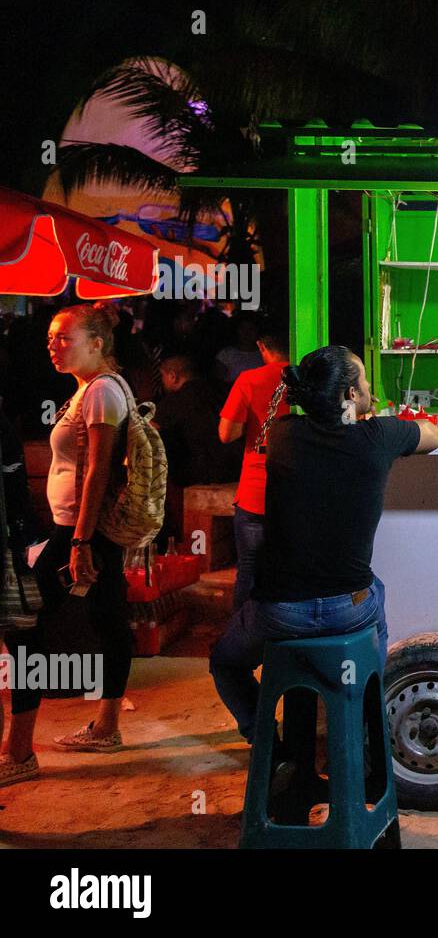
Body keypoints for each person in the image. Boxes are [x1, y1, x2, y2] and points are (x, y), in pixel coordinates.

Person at [209, 346, 438, 742]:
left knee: (225, 664)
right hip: (349, 609)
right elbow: (434, 435)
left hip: (280, 611)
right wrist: (375, 419)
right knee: (375, 590)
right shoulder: (379, 437)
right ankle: (368, 730)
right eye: (364, 380)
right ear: (351, 394)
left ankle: (267, 743)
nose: (368, 386)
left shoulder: (283, 435)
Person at [0, 303, 137, 786]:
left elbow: (99, 467)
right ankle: (107, 726)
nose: (53, 345)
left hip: (81, 530)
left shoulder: (100, 392)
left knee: (22, 622)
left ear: (97, 344)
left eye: (64, 337)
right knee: (108, 617)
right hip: (83, 529)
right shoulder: (91, 389)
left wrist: (78, 541)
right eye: (51, 338)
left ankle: (18, 752)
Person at [217, 326, 290, 610]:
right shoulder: (310, 379)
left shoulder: (250, 380)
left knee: (249, 570)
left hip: (255, 493)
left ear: (261, 346)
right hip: (297, 492)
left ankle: (243, 641)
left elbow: (227, 434)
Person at [155, 354, 242, 543]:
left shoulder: (173, 403)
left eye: (163, 376)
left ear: (173, 376)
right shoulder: (224, 391)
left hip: (198, 474)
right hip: (236, 469)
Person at [216, 312, 265, 384]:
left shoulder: (265, 355)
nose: (246, 333)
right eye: (242, 328)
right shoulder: (225, 354)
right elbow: (219, 382)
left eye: (250, 329)